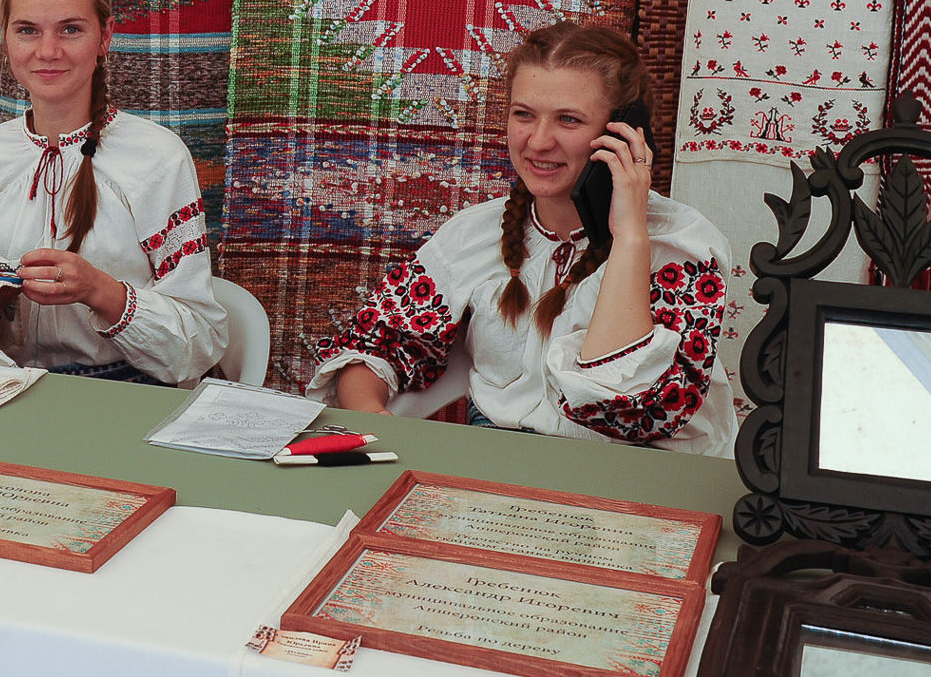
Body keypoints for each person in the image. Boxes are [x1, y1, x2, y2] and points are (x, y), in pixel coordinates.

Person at [308, 23, 739, 454]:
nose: (538, 141)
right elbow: (377, 342)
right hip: (494, 457)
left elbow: (625, 409)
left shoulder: (682, 248)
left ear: (626, 132)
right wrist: (373, 416)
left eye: (568, 119)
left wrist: (628, 237)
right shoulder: (475, 233)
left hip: (632, 466)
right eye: (524, 114)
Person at [0, 0, 227, 384]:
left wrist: (99, 290)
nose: (48, 50)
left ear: (105, 37)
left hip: (129, 393)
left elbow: (197, 347)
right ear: (5, 38)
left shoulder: (158, 158)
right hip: (7, 388)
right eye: (27, 30)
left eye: (70, 29)